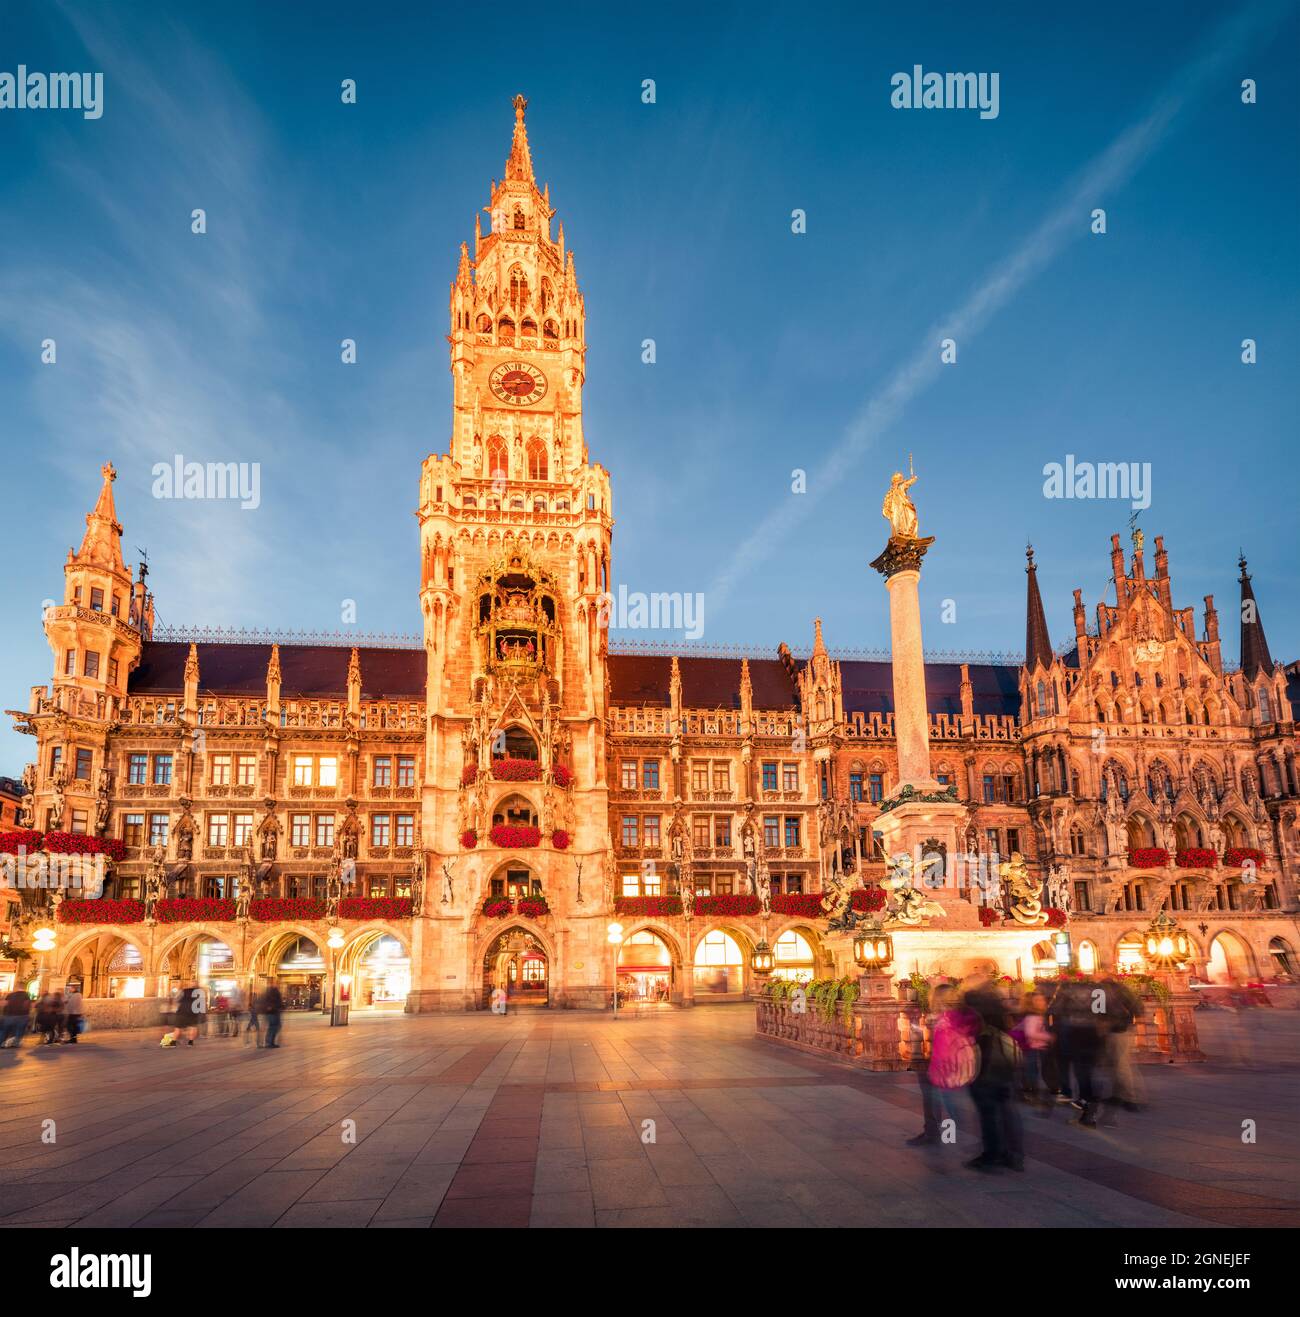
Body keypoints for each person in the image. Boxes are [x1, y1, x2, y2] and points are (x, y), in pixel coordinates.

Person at [907, 985, 979, 1146]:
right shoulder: (963, 1017)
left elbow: (941, 1050)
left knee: (946, 1105)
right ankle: (946, 1135)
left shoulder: (944, 1021)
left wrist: (934, 1071)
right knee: (952, 1105)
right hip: (962, 1068)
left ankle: (947, 1138)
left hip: (944, 1070)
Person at [964, 981, 1025, 1171]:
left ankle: (992, 1155)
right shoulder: (1002, 1020)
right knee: (1008, 1114)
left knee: (989, 1115)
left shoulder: (981, 1025)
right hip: (1005, 1072)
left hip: (987, 1075)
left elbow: (981, 1050)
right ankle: (1014, 1155)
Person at [1097, 976, 1144, 1117]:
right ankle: (1118, 1095)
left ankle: (1131, 1098)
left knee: (1120, 1065)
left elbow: (1096, 1011)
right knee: (1116, 1064)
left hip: (1114, 1030)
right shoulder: (1122, 988)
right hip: (1122, 1028)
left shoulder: (1099, 990)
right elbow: (1138, 1007)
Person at [1014, 990, 1052, 1106]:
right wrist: (1048, 1037)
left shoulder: (1038, 1015)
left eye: (1043, 1000)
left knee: (1033, 1070)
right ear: (1031, 1003)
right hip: (1033, 1047)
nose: (1043, 1002)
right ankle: (1035, 1095)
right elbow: (1030, 1033)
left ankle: (1032, 1093)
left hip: (1036, 1047)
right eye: (1038, 1000)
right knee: (1033, 1071)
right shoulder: (1032, 1017)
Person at [162, 981, 202, 1047]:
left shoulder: (184, 991)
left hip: (182, 1011)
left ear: (189, 985)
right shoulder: (200, 992)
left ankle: (173, 1042)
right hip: (193, 1011)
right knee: (192, 1027)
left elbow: (176, 999)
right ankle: (190, 1042)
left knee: (178, 1027)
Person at [261, 980, 284, 1048]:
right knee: (273, 1027)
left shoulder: (274, 990)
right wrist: (270, 1007)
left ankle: (271, 1042)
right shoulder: (272, 991)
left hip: (275, 1011)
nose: (279, 985)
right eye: (278, 983)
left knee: (275, 1027)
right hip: (272, 1012)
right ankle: (269, 1043)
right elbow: (270, 1000)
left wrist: (281, 1006)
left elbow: (277, 1001)